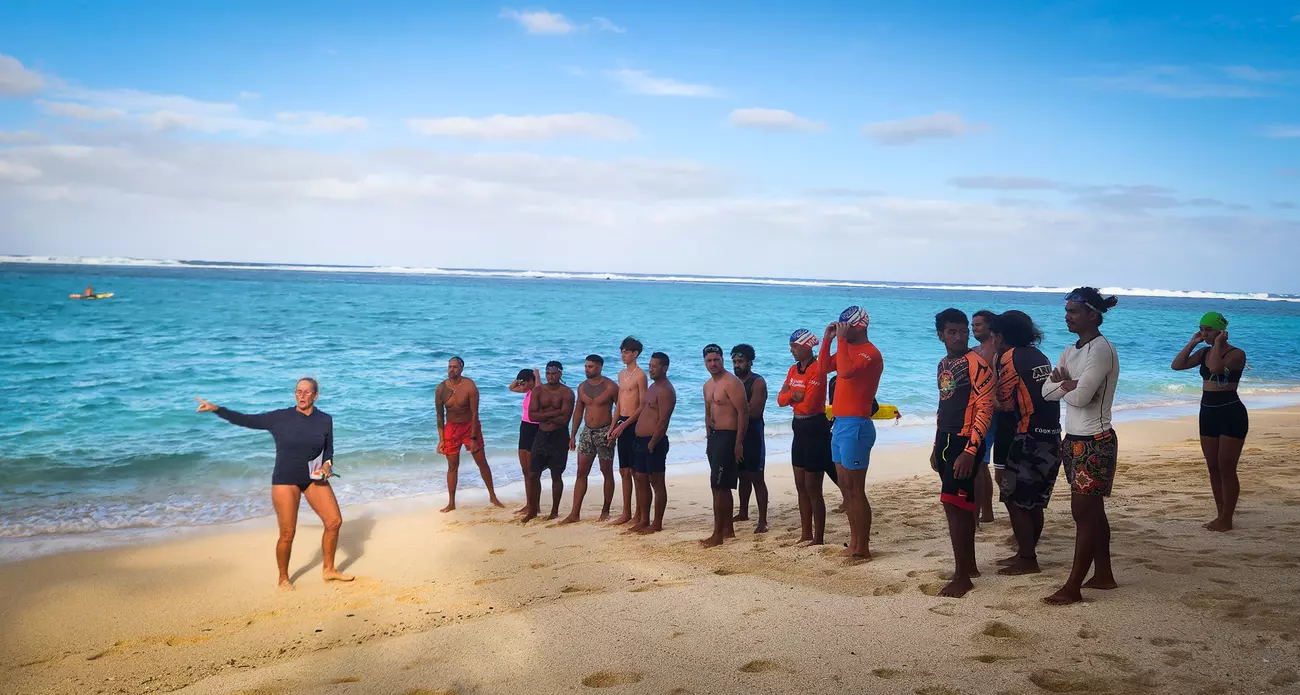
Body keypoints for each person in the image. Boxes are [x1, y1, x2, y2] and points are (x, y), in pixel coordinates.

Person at [195, 379, 354, 590]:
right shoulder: (280, 417)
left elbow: (329, 449)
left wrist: (327, 465)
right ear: (295, 394)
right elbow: (246, 420)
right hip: (285, 479)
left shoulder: (325, 420)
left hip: (312, 477)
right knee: (288, 533)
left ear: (316, 395)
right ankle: (283, 578)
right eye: (299, 392)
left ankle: (329, 570)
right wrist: (216, 409)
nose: (302, 395)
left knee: (334, 521)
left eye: (307, 392)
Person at [1042, 287, 1121, 606]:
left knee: (1083, 513)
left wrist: (1062, 385)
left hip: (1095, 442)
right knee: (1093, 513)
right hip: (1072, 440)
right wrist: (1065, 384)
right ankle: (1104, 574)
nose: (1067, 316)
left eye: (1073, 311)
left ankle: (1073, 586)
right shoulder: (1069, 351)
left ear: (1092, 314)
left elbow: (1082, 397)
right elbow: (1046, 393)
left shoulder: (1101, 350)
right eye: (1067, 311)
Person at [990, 311, 1061, 576]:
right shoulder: (1038, 356)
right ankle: (1025, 553)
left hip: (1027, 434)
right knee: (1034, 501)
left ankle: (1028, 558)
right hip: (1051, 433)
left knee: (1015, 499)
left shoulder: (1010, 357)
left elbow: (1006, 402)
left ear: (999, 336)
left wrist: (981, 401)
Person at [931, 309, 994, 598]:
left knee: (958, 508)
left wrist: (970, 451)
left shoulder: (976, 364)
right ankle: (968, 566)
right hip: (945, 440)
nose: (959, 336)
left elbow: (985, 408)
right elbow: (943, 405)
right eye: (952, 331)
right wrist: (936, 445)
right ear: (941, 334)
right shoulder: (944, 363)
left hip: (964, 442)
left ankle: (962, 577)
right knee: (955, 506)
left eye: (963, 331)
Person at [1171, 311, 1248, 532]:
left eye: (1209, 330)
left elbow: (1215, 369)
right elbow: (1176, 366)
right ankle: (1220, 514)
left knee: (1226, 467)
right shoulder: (1203, 351)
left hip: (1231, 412)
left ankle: (1227, 518)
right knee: (1213, 467)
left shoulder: (1236, 354)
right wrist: (1192, 342)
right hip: (1208, 412)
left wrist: (1218, 344)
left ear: (1221, 331)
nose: (1205, 333)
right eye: (1202, 329)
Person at [818, 306, 884, 562]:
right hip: (840, 424)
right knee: (845, 488)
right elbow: (824, 368)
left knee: (856, 489)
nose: (844, 329)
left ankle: (863, 546)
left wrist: (842, 340)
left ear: (861, 326)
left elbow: (845, 372)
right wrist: (828, 339)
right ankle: (855, 541)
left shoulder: (870, 353)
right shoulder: (848, 349)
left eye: (848, 326)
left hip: (857, 425)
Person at [778, 328, 833, 545]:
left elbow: (810, 403)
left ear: (806, 347)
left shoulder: (817, 369)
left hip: (815, 426)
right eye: (791, 346)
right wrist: (793, 395)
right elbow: (780, 399)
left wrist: (792, 397)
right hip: (798, 428)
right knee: (800, 483)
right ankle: (805, 533)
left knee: (813, 486)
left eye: (794, 346)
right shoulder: (793, 369)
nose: (791, 350)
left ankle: (818, 537)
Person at [610, 352, 676, 534]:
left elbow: (663, 421)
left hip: (654, 442)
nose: (651, 368)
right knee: (640, 479)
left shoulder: (666, 391)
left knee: (657, 482)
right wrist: (622, 426)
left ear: (665, 368)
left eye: (655, 366)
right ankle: (644, 519)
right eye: (650, 365)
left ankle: (657, 523)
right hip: (639, 440)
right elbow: (641, 411)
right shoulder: (652, 388)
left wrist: (653, 442)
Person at [436, 357, 505, 512]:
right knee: (452, 466)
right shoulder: (441, 389)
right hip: (451, 428)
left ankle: (493, 496)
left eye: (454, 367)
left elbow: (475, 413)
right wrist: (441, 439)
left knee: (481, 462)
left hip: (469, 427)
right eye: (449, 367)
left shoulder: (469, 386)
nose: (451, 369)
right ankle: (451, 503)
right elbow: (440, 416)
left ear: (461, 368)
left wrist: (473, 437)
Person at [700, 344, 748, 547]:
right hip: (715, 439)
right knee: (720, 487)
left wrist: (738, 443)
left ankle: (717, 535)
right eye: (709, 360)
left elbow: (743, 413)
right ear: (705, 362)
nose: (713, 364)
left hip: (728, 438)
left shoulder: (732, 382)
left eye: (716, 360)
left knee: (719, 486)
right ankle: (727, 530)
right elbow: (708, 411)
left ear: (722, 359)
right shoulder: (707, 385)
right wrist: (708, 435)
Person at [562, 355, 619, 523]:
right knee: (581, 472)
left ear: (600, 367)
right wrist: (572, 435)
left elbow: (620, 408)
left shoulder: (610, 386)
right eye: (586, 366)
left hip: (604, 432)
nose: (587, 369)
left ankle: (605, 510)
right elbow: (578, 411)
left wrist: (614, 429)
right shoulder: (581, 388)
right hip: (587, 433)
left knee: (606, 471)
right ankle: (574, 513)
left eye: (591, 367)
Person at [523, 361, 575, 523]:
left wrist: (545, 414)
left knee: (556, 474)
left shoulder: (567, 393)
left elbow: (565, 419)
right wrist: (556, 412)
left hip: (559, 436)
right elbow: (532, 416)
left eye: (553, 373)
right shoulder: (539, 390)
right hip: (541, 435)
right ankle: (532, 509)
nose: (550, 376)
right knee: (533, 474)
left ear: (560, 374)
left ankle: (554, 510)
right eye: (548, 373)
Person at [607, 337, 648, 526]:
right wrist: (613, 425)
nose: (623, 355)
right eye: (622, 351)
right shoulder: (621, 374)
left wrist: (624, 426)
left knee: (635, 470)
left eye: (626, 352)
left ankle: (640, 513)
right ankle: (626, 512)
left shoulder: (641, 375)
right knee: (623, 470)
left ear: (635, 354)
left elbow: (642, 405)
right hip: (622, 421)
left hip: (634, 424)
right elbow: (619, 404)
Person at [731, 344, 770, 534]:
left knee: (756, 476)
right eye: (734, 362)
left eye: (740, 361)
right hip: (736, 433)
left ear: (749, 362)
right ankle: (743, 511)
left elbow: (754, 412)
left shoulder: (757, 382)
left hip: (753, 434)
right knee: (741, 475)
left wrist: (736, 409)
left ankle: (763, 521)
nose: (737, 365)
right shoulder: (732, 382)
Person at [971, 309, 1001, 523]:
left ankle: (986, 512)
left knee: (981, 463)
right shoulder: (974, 350)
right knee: (980, 463)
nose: (975, 329)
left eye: (979, 325)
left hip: (991, 411)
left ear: (990, 326)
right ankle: (985, 511)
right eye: (972, 326)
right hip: (977, 410)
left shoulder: (995, 351)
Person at [508, 368, 541, 515]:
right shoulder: (527, 391)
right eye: (522, 383)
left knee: (533, 471)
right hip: (524, 428)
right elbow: (511, 387)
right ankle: (529, 504)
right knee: (525, 470)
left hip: (535, 429)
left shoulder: (539, 392)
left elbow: (539, 387)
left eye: (525, 382)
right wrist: (520, 379)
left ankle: (535, 505)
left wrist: (536, 375)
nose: (522, 385)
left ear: (533, 381)